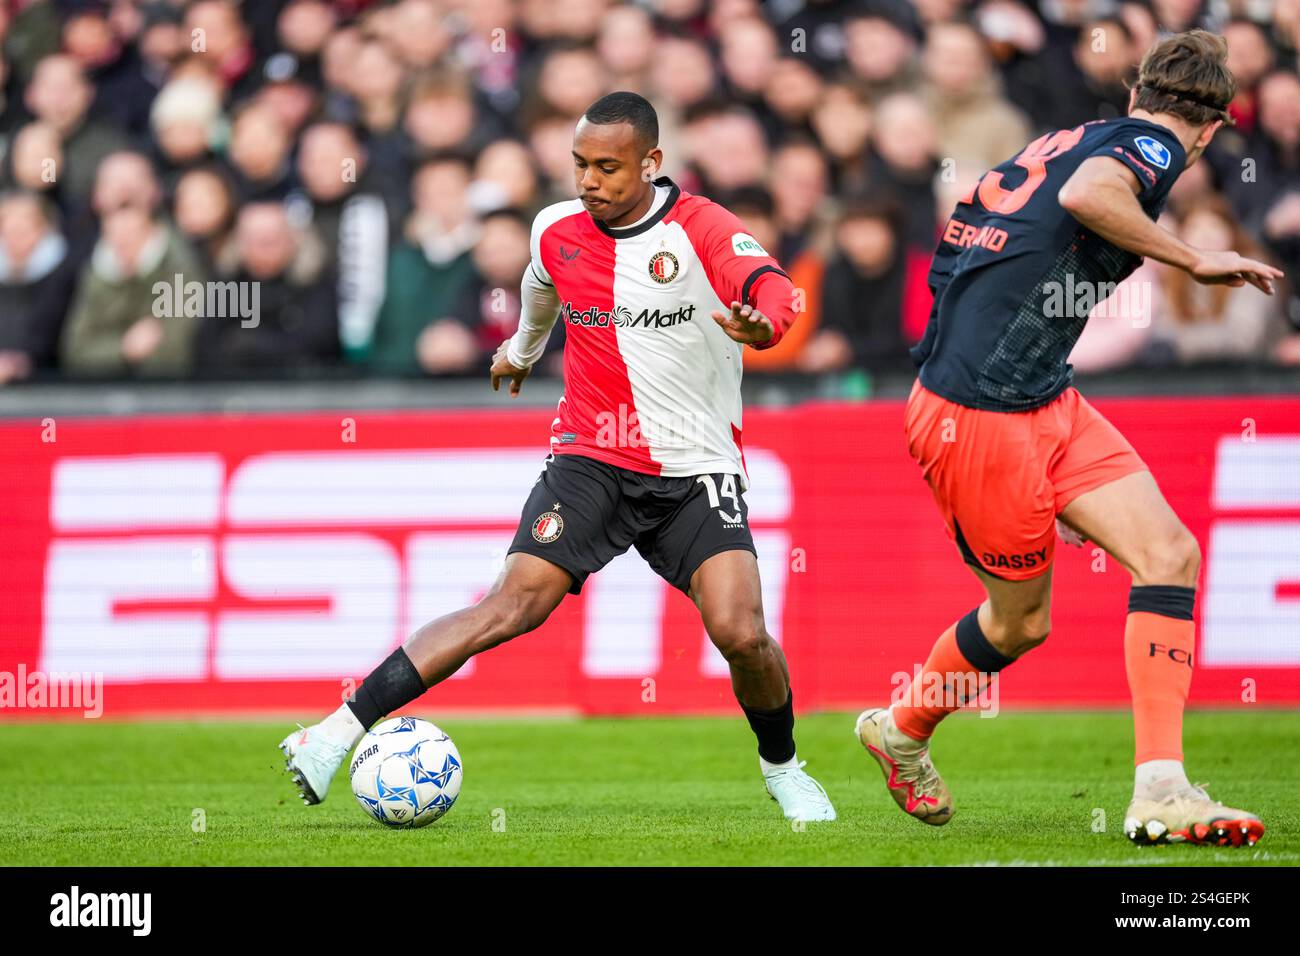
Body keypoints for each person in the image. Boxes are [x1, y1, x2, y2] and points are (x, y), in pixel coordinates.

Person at [280, 91, 836, 822]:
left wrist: (763, 325)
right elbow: (539, 295)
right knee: (510, 605)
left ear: (652, 162)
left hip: (695, 465)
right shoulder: (556, 231)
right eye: (580, 164)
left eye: (608, 166)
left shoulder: (702, 226)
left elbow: (772, 289)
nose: (589, 180)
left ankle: (783, 766)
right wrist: (519, 350)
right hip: (592, 455)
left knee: (741, 633)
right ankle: (331, 735)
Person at [854, 31, 1281, 847]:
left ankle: (1161, 787)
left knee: (1170, 556)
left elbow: (973, 237)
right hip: (980, 413)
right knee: (1020, 625)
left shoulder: (1078, 135)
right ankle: (901, 730)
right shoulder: (1150, 146)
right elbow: (1090, 199)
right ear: (1216, 126)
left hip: (1037, 393)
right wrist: (1192, 258)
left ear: (1134, 92)